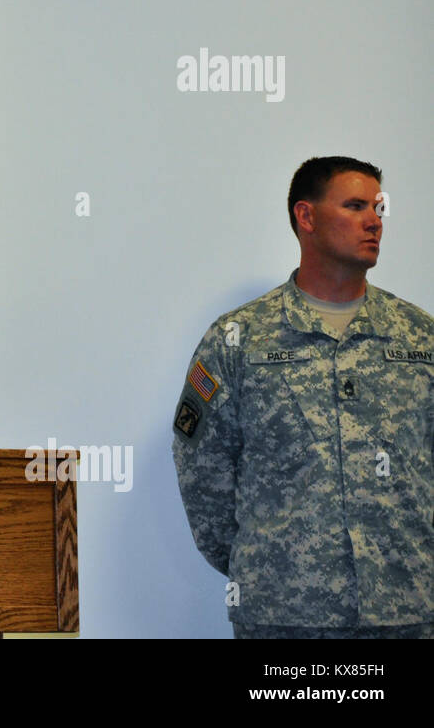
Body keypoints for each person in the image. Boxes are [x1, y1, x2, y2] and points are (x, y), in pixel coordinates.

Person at [173, 156, 434, 638]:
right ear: (306, 217)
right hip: (285, 616)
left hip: (407, 611)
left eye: (377, 207)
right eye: (354, 205)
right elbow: (202, 473)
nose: (374, 220)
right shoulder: (241, 339)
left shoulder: (420, 338)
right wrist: (270, 567)